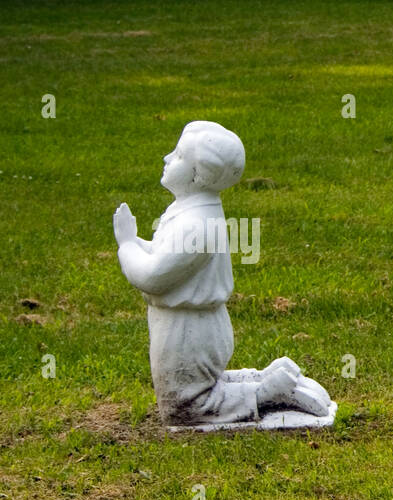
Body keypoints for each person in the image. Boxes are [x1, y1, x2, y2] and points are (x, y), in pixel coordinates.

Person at [113, 121, 331, 426]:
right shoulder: (195, 211)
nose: (166, 158)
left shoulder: (195, 224)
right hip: (196, 325)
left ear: (198, 175)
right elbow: (169, 257)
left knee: (185, 407)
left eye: (176, 156)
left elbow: (152, 276)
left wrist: (126, 245)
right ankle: (262, 377)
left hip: (187, 331)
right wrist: (139, 243)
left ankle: (268, 392)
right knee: (196, 388)